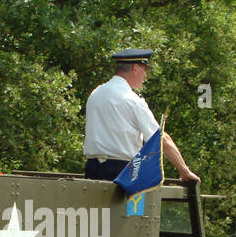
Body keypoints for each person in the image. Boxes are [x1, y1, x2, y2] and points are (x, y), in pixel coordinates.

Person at [83, 49, 200, 182]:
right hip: (122, 172)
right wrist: (184, 170)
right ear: (136, 68)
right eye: (145, 70)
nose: (145, 76)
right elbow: (161, 139)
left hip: (92, 170)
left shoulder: (96, 94)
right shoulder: (131, 100)